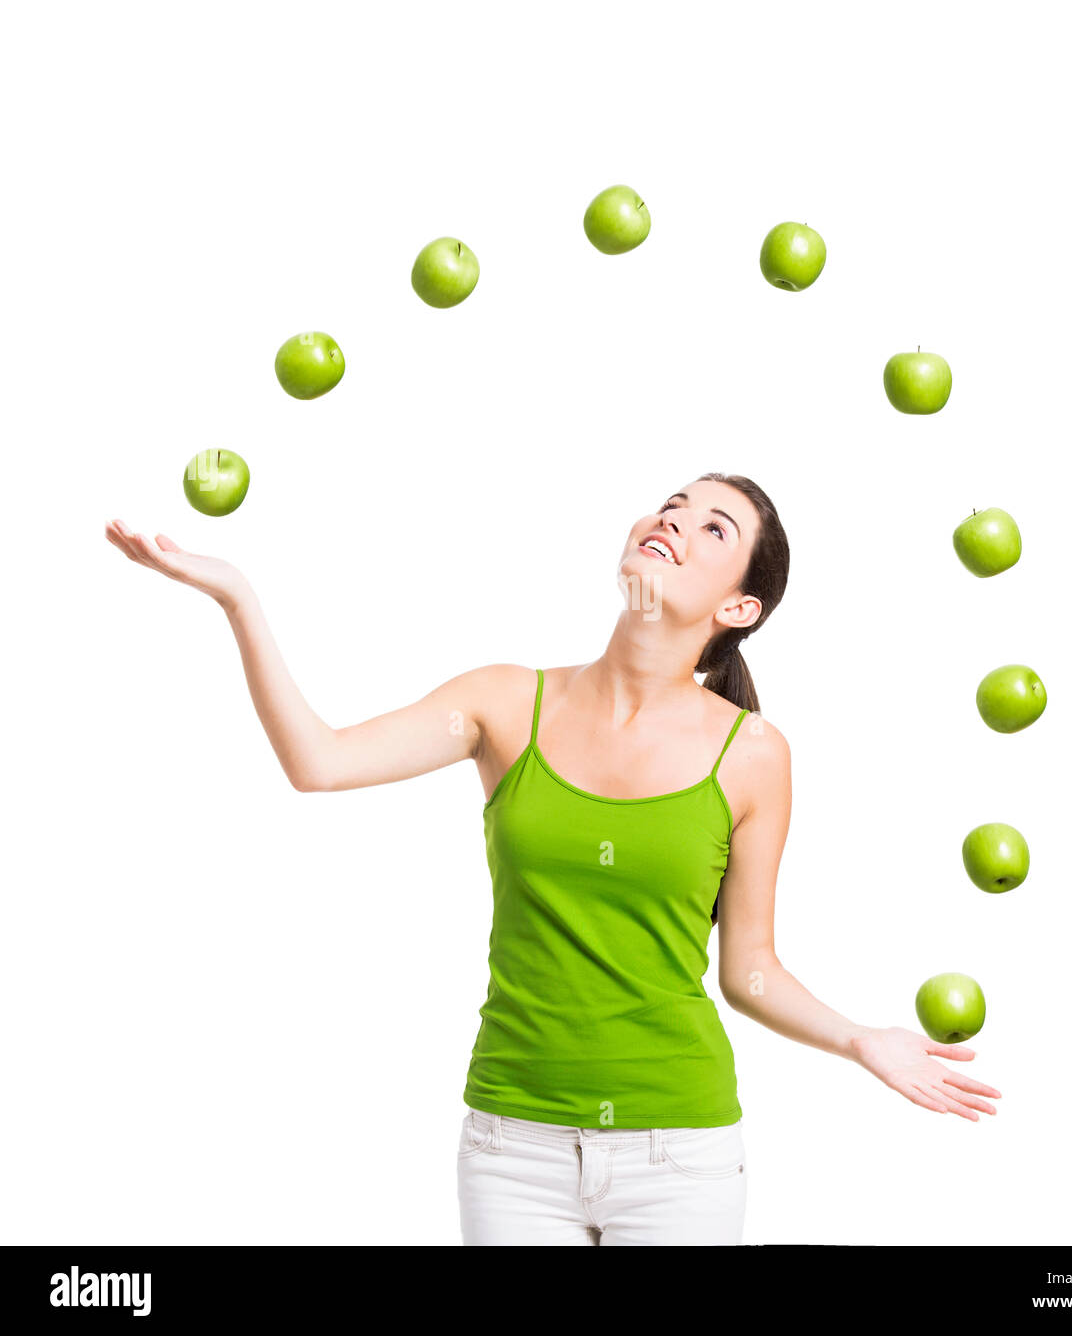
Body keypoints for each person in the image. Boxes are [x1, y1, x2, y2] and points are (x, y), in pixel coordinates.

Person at [105, 471, 1000, 1247]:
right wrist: (237, 598)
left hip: (679, 1152)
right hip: (512, 1146)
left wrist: (860, 1040)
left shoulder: (753, 754)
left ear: (738, 609)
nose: (674, 523)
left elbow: (751, 971)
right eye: (671, 506)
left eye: (711, 528)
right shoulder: (504, 702)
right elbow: (320, 762)